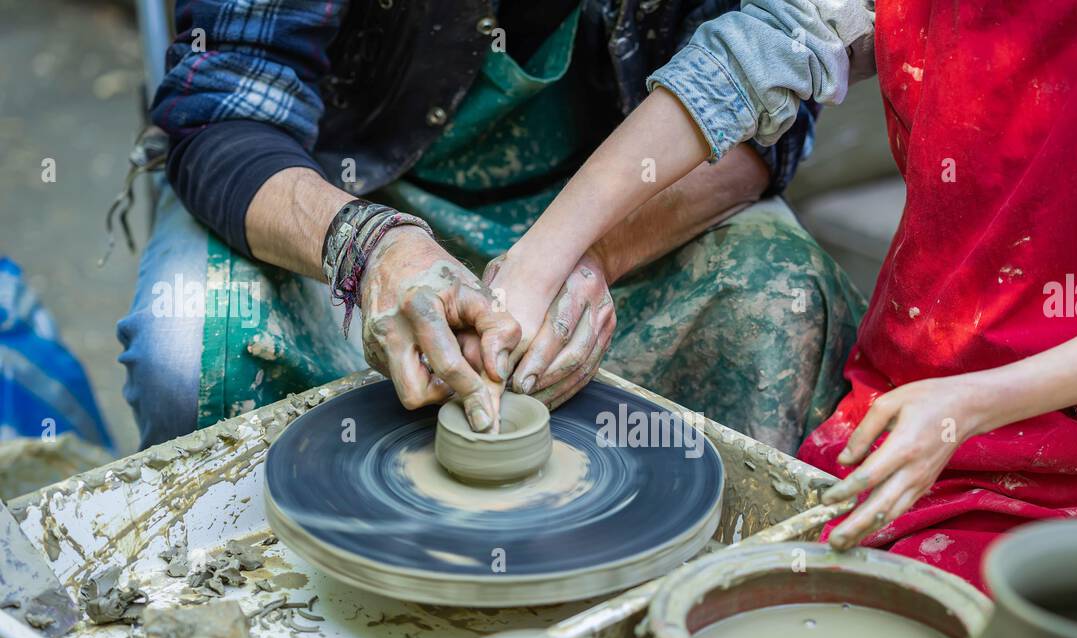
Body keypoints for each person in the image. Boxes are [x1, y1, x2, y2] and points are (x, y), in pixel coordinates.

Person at [488, 0, 1077, 587]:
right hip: (945, 332)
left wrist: (966, 405)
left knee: (880, 622)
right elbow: (747, 57)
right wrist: (547, 258)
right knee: (774, 561)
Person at [118, 0, 868, 453]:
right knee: (188, 348)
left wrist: (594, 251)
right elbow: (223, 113)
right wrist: (368, 249)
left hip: (625, 206)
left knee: (783, 300)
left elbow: (765, 112)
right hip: (339, 189)